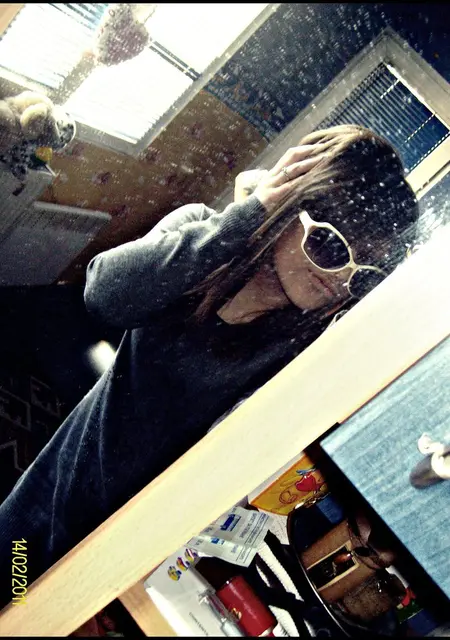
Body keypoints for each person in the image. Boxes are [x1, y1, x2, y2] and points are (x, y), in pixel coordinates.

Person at [0, 124, 419, 609]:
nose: (339, 278)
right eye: (331, 247)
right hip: (65, 477)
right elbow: (105, 295)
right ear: (290, 206)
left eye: (361, 274)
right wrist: (250, 214)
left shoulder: (305, 347)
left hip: (139, 537)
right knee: (11, 577)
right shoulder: (202, 235)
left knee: (43, 616)